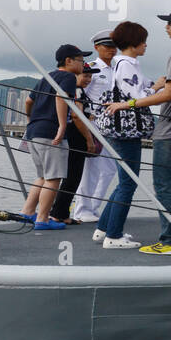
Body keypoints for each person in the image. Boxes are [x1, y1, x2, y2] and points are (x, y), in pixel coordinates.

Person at [108, 5, 171, 256]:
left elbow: (168, 94)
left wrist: (127, 103)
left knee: (163, 185)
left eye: (170, 21)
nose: (166, 26)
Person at [95, 21, 154, 248]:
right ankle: (114, 236)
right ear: (134, 42)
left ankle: (103, 229)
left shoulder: (119, 62)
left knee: (123, 183)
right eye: (143, 41)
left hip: (116, 128)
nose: (146, 45)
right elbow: (137, 96)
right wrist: (157, 88)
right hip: (126, 130)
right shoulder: (127, 64)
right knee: (129, 184)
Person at [20, 44, 89, 230]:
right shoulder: (68, 77)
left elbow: (29, 101)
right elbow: (61, 98)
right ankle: (42, 219)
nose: (84, 65)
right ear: (69, 61)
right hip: (51, 132)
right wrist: (62, 126)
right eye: (81, 61)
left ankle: (27, 212)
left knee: (42, 176)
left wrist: (30, 119)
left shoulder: (47, 76)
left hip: (35, 131)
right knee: (54, 177)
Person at [72, 30, 119, 222]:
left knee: (108, 170)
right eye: (107, 46)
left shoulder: (118, 68)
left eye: (114, 46)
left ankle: (92, 208)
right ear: (97, 48)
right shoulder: (90, 68)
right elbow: (80, 94)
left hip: (112, 125)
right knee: (91, 169)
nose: (111, 50)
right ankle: (83, 210)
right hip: (93, 123)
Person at [48, 64, 100, 224]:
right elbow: (77, 117)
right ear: (76, 75)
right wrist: (89, 141)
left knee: (72, 177)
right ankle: (58, 213)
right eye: (85, 76)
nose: (88, 79)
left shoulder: (79, 91)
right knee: (72, 177)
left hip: (75, 137)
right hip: (75, 138)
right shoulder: (76, 91)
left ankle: (61, 212)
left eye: (90, 77)